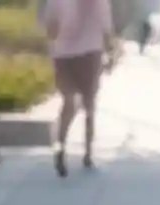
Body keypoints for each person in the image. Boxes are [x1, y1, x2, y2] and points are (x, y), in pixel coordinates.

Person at [43, 0, 117, 177]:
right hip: (78, 54)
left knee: (78, 103)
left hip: (76, 53)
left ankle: (74, 149)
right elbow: (106, 28)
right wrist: (111, 53)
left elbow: (51, 31)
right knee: (80, 103)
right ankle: (75, 151)